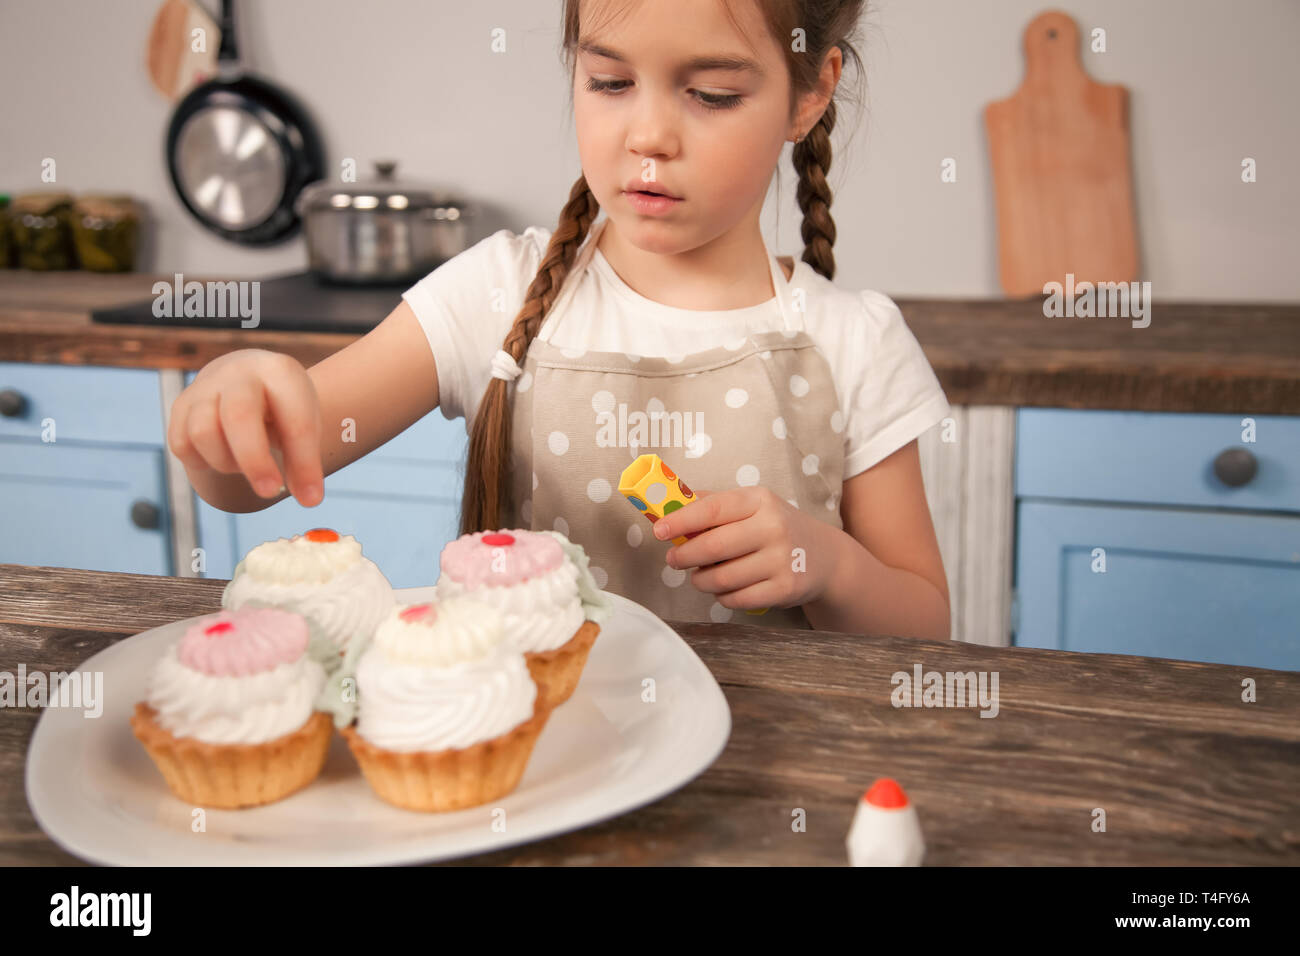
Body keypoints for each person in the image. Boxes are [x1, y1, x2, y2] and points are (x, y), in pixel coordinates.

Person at [169, 0, 953, 639]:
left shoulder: (857, 343)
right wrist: (236, 398)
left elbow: (923, 632)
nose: (649, 136)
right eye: (610, 82)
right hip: (545, 767)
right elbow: (250, 477)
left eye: (712, 94)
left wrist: (834, 568)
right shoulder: (496, 294)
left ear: (811, 92)